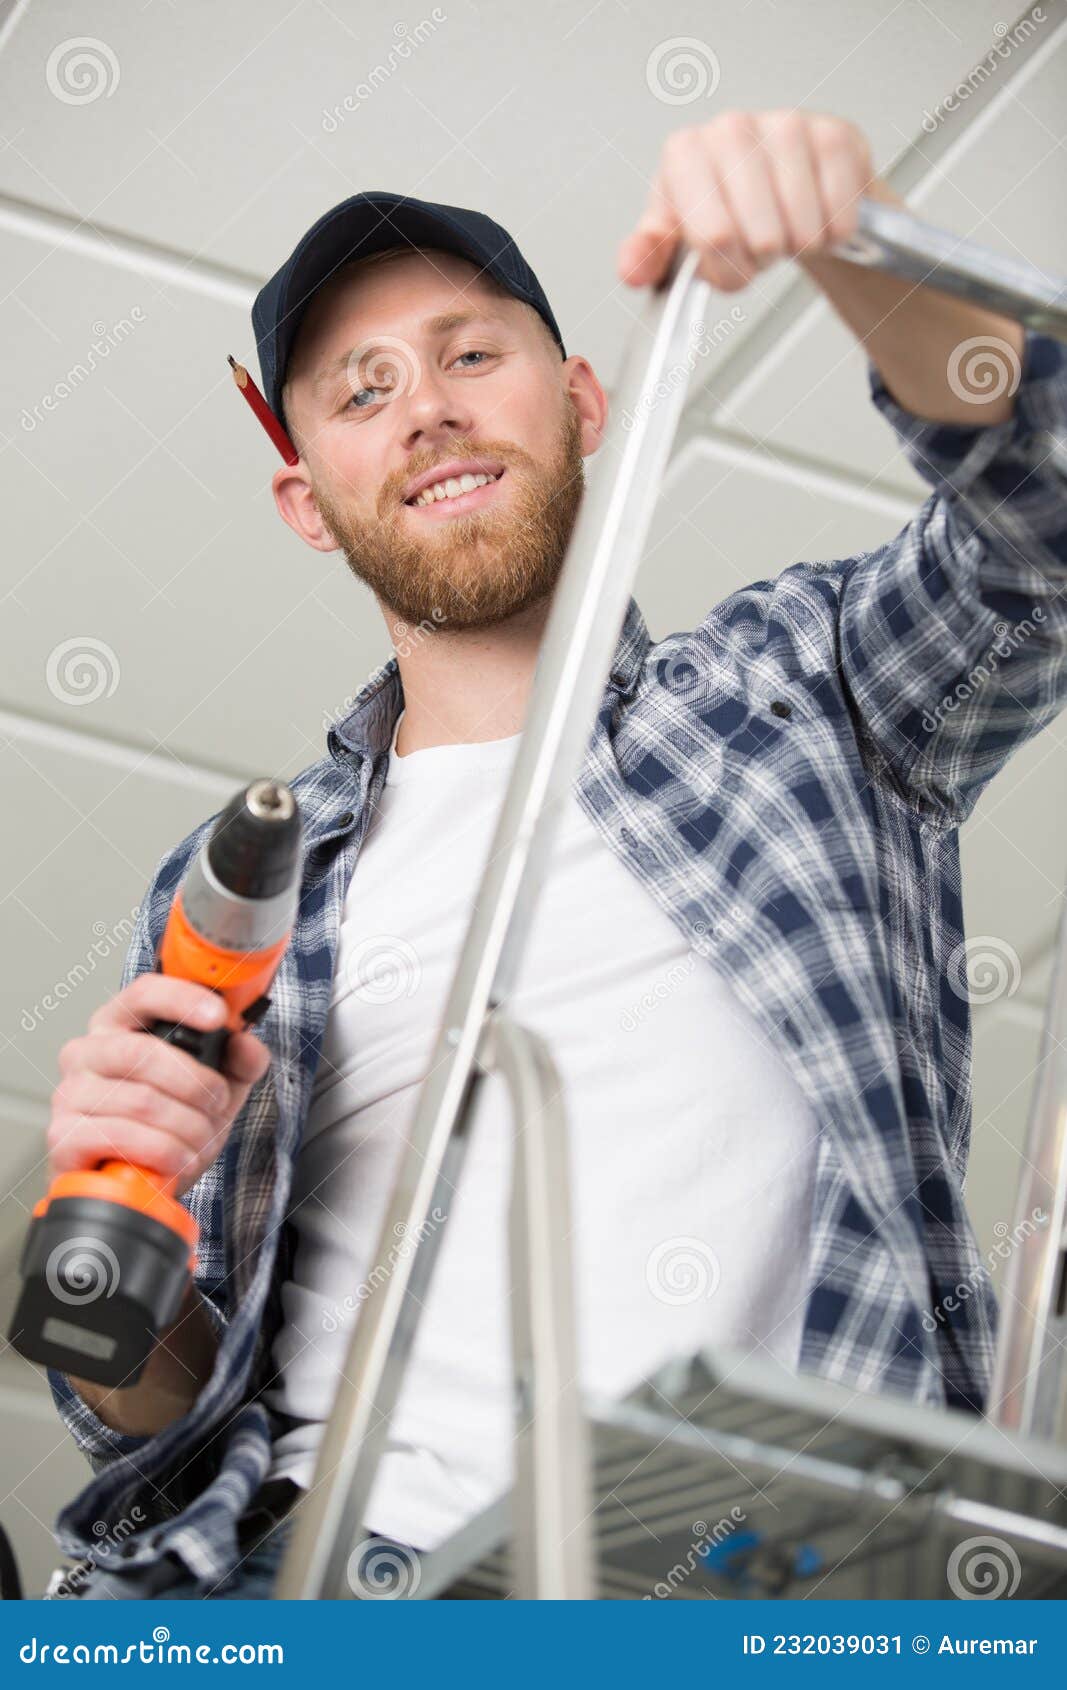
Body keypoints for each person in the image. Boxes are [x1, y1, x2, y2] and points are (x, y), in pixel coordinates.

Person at [41, 109, 1067, 1599]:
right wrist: (101, 1271)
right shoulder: (250, 886)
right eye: (361, 389)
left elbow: (1044, 530)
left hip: (743, 1586)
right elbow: (154, 1413)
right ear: (306, 500)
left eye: (471, 355)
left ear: (582, 398)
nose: (427, 411)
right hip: (306, 1581)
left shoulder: (816, 693)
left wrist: (867, 240)